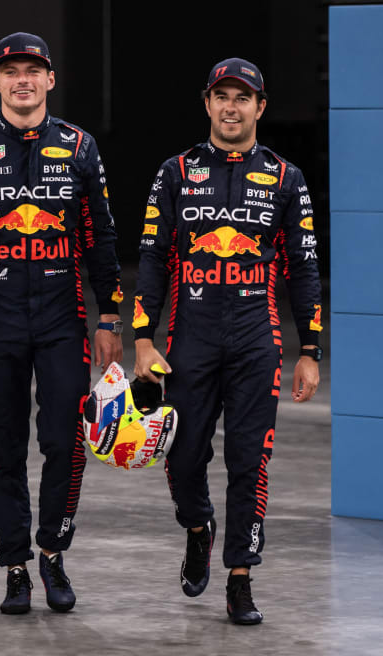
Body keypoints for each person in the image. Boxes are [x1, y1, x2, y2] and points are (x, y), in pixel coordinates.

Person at [0, 32, 124, 614]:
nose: (22, 80)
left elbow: (100, 236)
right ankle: (15, 567)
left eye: (33, 69)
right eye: (11, 71)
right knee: (4, 447)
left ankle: (54, 555)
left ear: (50, 80)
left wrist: (109, 313)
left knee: (65, 442)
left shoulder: (80, 147)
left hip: (65, 318)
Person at [132, 57, 322, 625]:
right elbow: (151, 260)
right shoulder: (175, 172)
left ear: (260, 107)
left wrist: (310, 350)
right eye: (222, 97)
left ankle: (240, 576)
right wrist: (143, 338)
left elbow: (305, 270)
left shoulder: (287, 178)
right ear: (208, 103)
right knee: (182, 454)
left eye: (243, 98)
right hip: (188, 337)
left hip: (255, 340)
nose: (231, 107)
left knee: (249, 461)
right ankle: (197, 525)